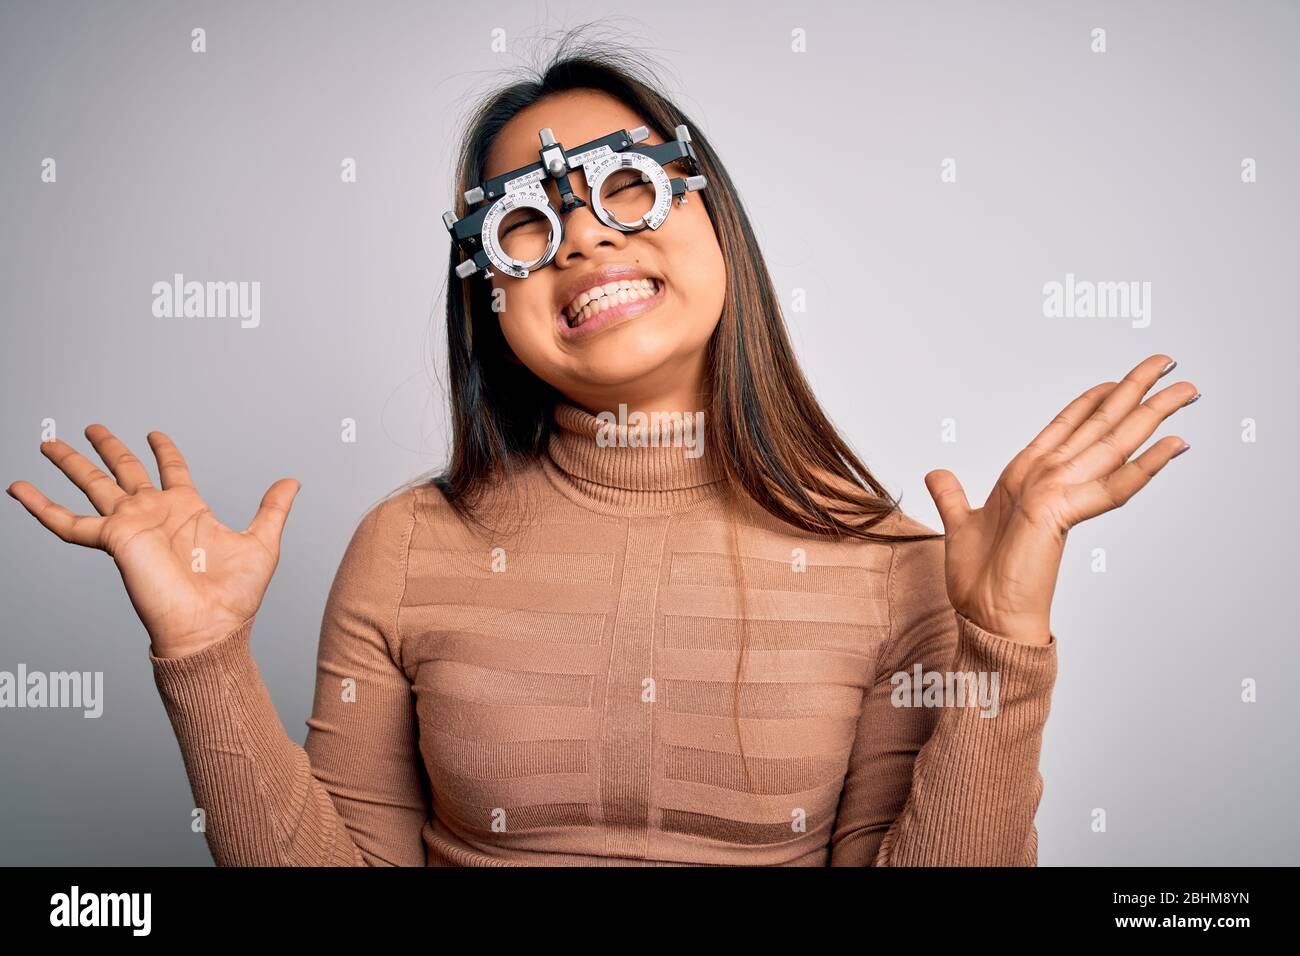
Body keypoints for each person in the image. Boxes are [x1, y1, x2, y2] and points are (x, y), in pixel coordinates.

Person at [5, 43, 1198, 867]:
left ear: (715, 221)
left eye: (624, 186)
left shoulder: (894, 565)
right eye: (524, 222)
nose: (579, 237)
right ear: (489, 301)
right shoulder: (405, 546)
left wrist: (1001, 648)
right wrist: (205, 655)